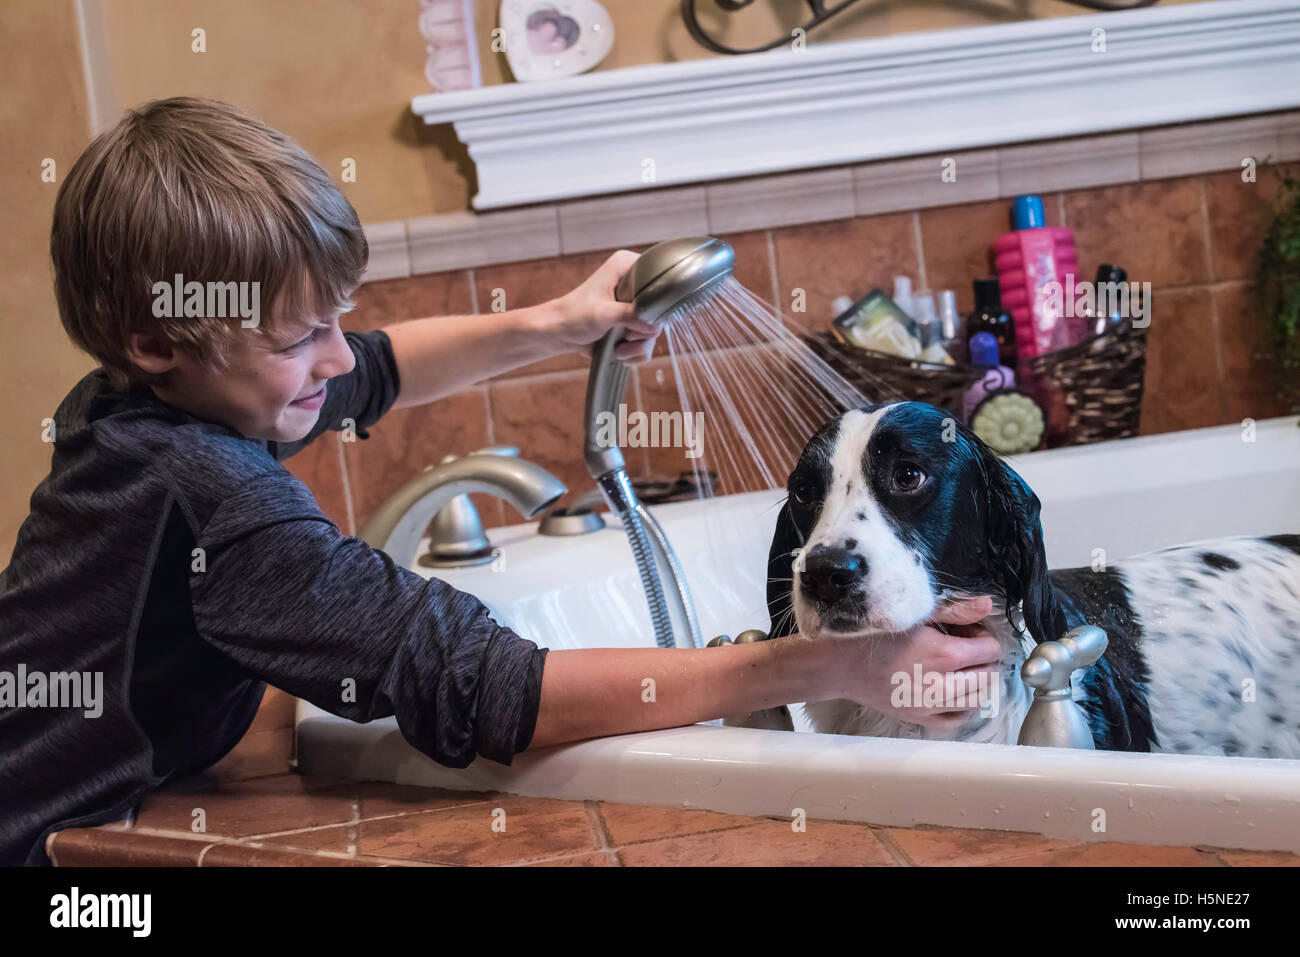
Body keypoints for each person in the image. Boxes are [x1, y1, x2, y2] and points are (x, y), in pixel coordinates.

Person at [0, 97, 1001, 866]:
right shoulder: (225, 503)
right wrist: (821, 666)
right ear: (155, 338)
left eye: (337, 318)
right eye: (302, 336)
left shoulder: (135, 405)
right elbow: (499, 692)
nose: (339, 360)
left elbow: (383, 365)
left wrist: (559, 323)